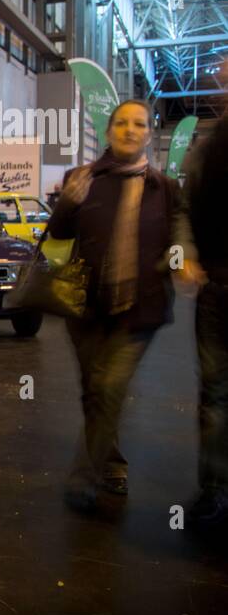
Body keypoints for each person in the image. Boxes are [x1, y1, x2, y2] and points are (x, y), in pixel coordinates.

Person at [47, 99, 202, 510]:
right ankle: (112, 460)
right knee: (92, 391)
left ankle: (85, 476)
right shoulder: (81, 177)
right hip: (84, 308)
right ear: (109, 131)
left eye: (138, 124)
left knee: (109, 387)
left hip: (139, 311)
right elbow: (56, 237)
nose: (130, 130)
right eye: (121, 123)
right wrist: (67, 203)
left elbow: (178, 235)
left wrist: (181, 261)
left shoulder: (164, 188)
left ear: (149, 134)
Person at [183, 113, 228, 526]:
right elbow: (185, 208)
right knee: (214, 397)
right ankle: (215, 488)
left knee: (215, 397)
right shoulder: (208, 149)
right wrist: (188, 254)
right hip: (217, 289)